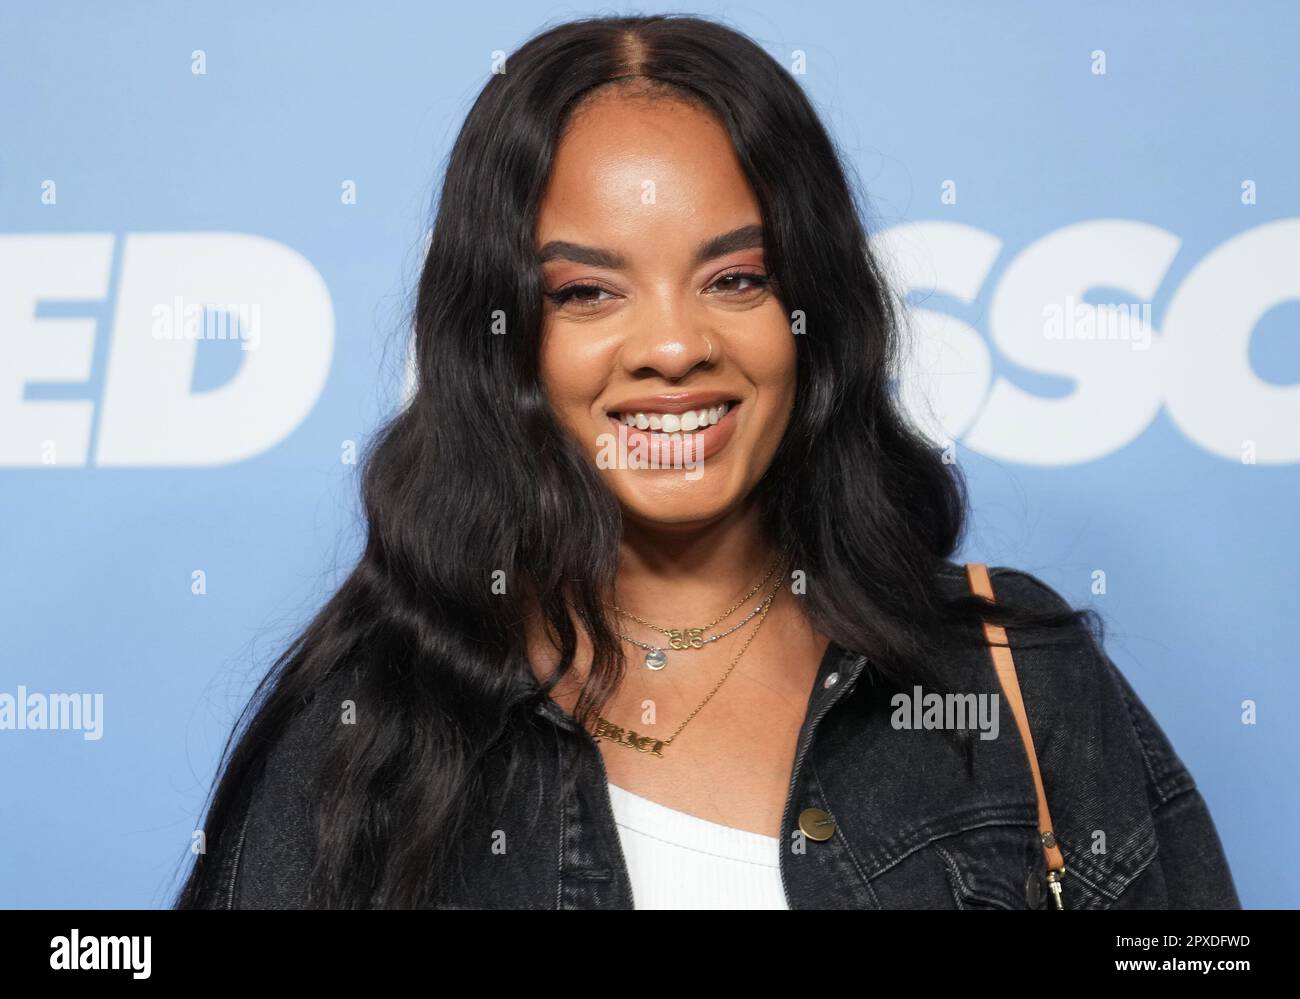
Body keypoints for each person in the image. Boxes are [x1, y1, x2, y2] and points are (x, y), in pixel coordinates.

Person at [173, 13, 1240, 910]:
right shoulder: (374, 733)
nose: (675, 345)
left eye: (736, 278)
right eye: (586, 292)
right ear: (505, 335)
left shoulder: (1012, 681)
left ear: (811, 311)